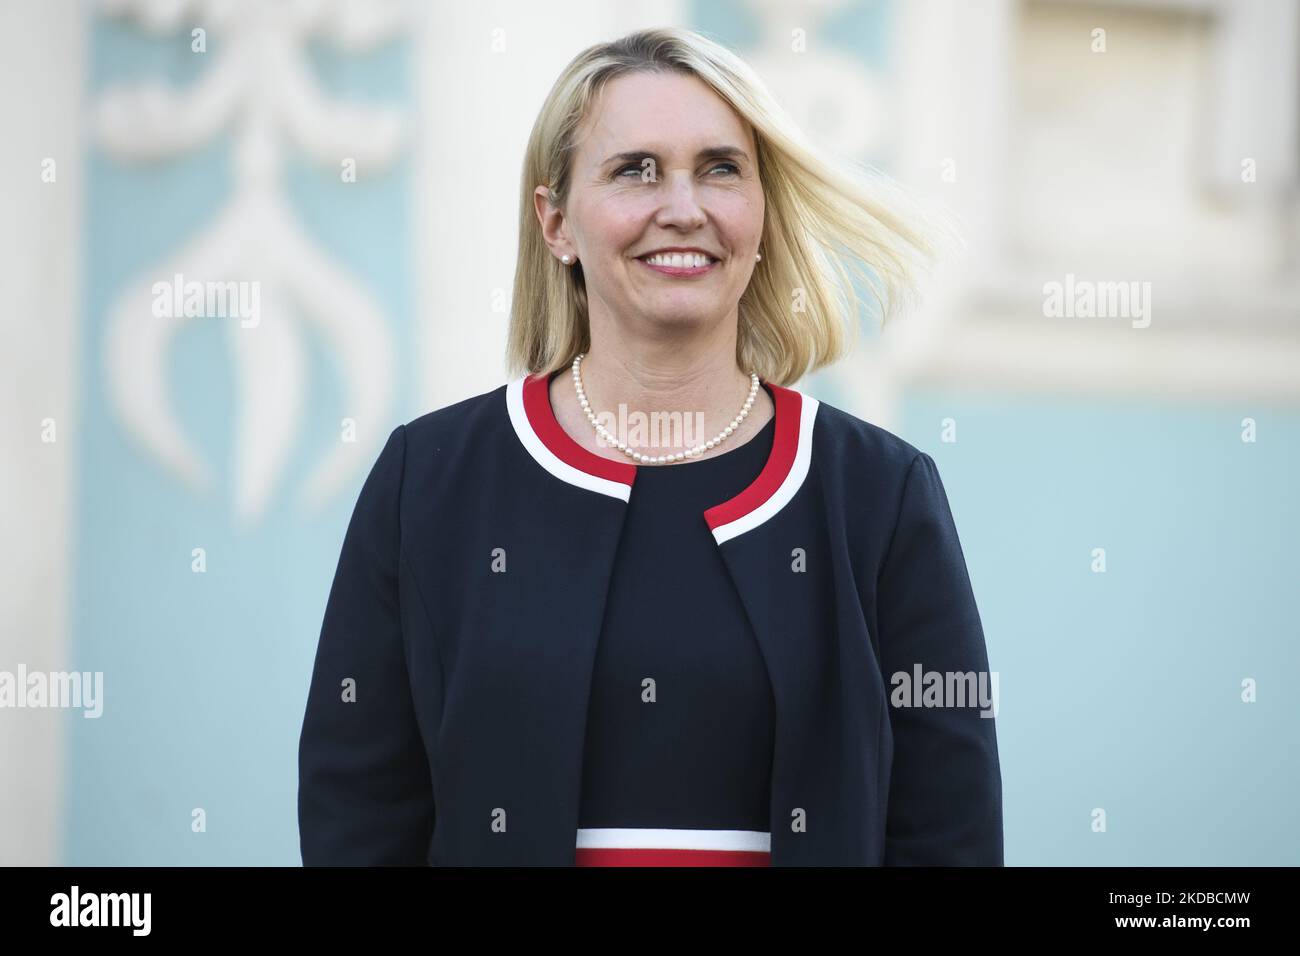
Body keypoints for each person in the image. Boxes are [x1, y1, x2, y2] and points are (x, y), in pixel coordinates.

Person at [298, 26, 1002, 866]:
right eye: (635, 170)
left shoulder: (878, 496)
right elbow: (360, 818)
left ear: (762, 215)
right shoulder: (432, 482)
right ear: (555, 221)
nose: (684, 206)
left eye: (720, 169)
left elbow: (948, 835)